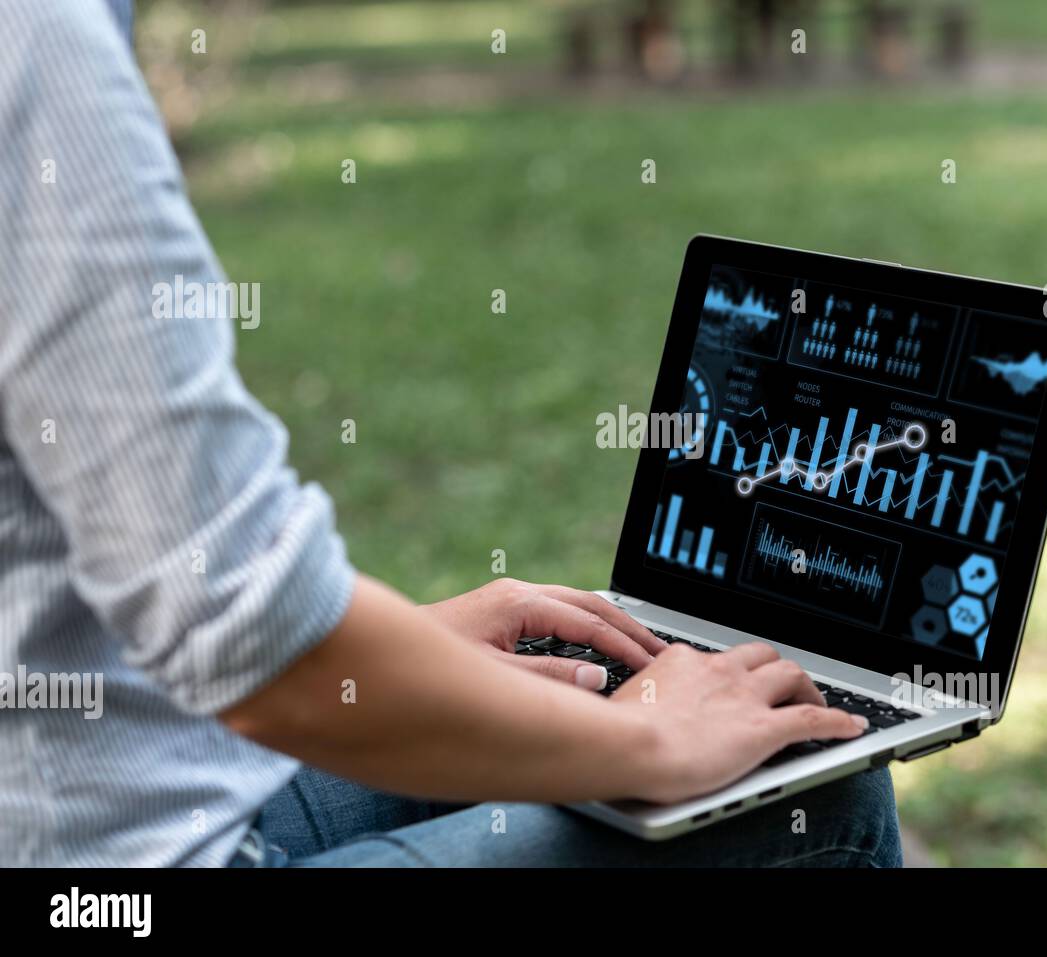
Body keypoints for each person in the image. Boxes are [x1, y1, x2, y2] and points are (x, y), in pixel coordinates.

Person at [0, 0, 902, 868]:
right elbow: (242, 623)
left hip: (122, 776)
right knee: (814, 794)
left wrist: (412, 657)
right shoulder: (41, 41)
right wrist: (641, 739)